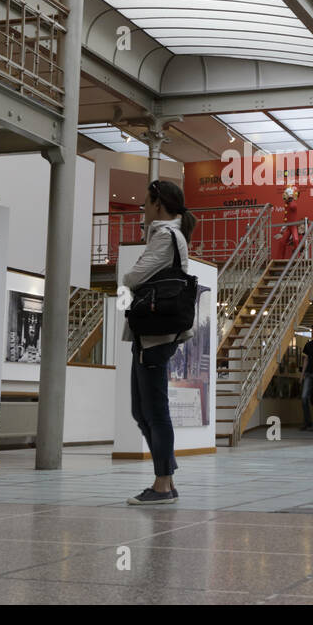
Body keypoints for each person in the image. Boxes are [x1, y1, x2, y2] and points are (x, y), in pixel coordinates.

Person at [122, 179, 196, 506]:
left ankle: (163, 483)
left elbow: (133, 277)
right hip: (151, 335)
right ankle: (165, 475)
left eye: (146, 202)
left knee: (154, 410)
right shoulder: (168, 235)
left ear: (159, 204)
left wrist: (130, 280)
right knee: (142, 410)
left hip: (155, 336)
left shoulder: (165, 236)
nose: (142, 207)